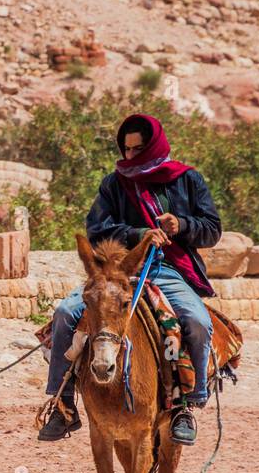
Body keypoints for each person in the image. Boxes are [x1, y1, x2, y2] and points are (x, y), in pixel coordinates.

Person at [38, 113, 222, 445]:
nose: (131, 157)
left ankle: (187, 404)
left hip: (167, 270)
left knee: (197, 321)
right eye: (126, 150)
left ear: (155, 146)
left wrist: (181, 225)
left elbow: (211, 229)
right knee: (66, 313)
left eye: (139, 150)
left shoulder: (188, 180)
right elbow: (97, 231)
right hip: (117, 271)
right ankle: (62, 404)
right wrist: (140, 234)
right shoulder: (113, 184)